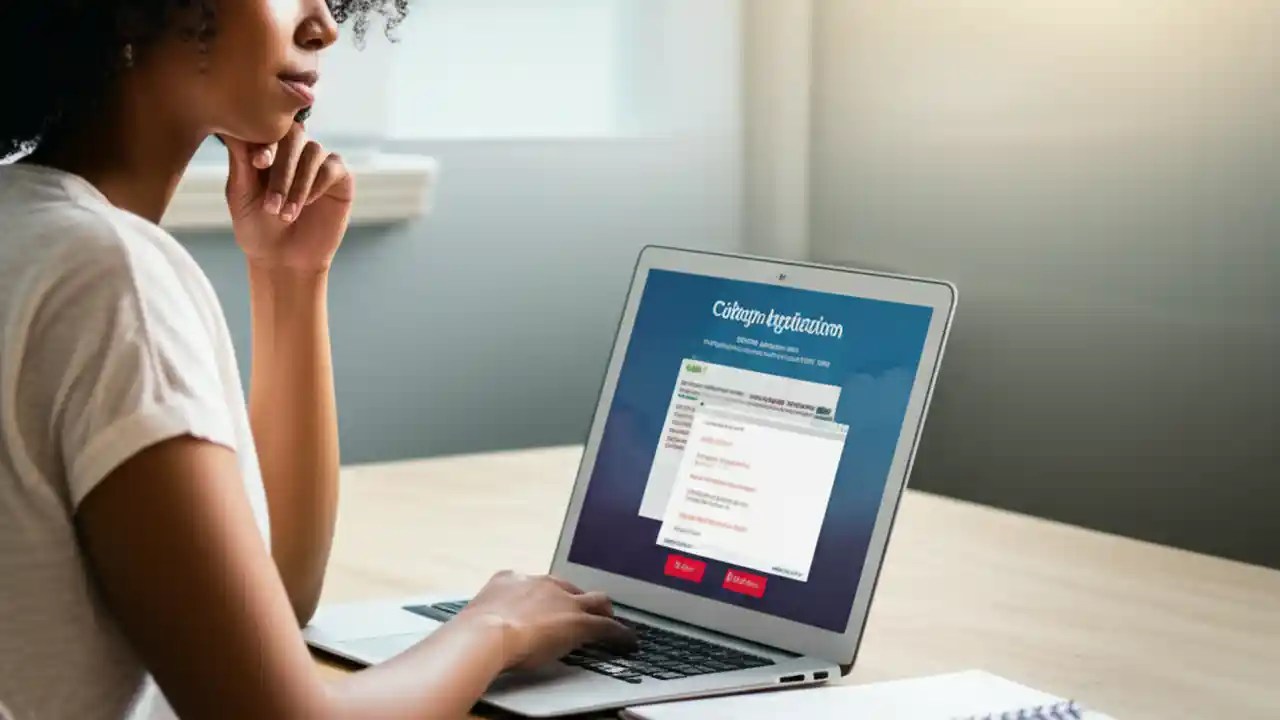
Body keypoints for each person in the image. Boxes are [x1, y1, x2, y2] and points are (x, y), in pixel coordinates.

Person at [0, 2, 634, 718]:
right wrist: (496, 628)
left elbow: (270, 598)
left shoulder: (29, 230)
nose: (324, 26)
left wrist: (290, 277)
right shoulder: (108, 276)